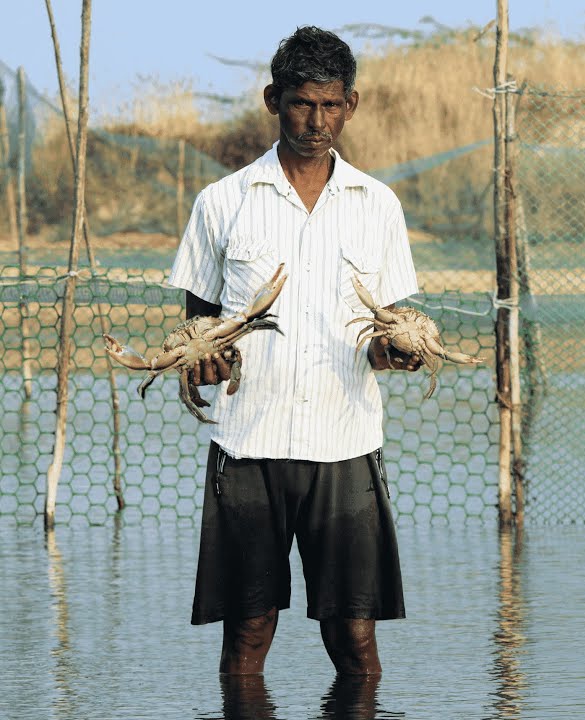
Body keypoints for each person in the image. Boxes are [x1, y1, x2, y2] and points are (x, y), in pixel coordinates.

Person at [168, 26, 424, 676]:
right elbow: (201, 329)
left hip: (346, 443)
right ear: (272, 99)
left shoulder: (378, 206)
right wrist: (205, 360)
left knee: (356, 640)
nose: (317, 121)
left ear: (352, 103)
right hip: (248, 443)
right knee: (248, 636)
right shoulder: (222, 203)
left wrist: (398, 353)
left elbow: (388, 332)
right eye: (302, 104)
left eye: (331, 105)